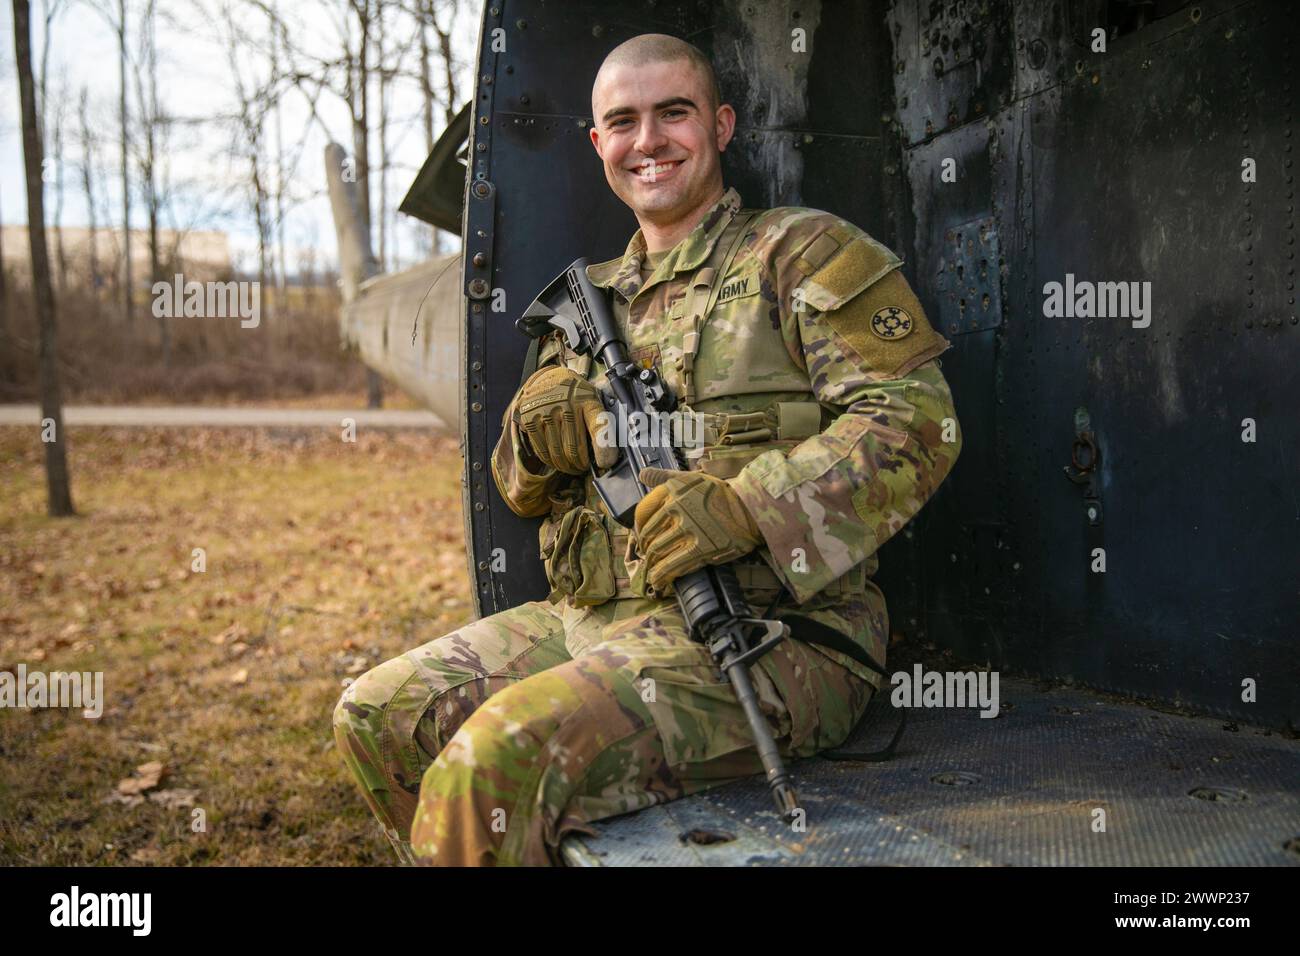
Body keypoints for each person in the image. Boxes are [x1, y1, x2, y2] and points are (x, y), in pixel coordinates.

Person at [333, 33, 962, 866]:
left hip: (773, 637)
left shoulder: (800, 254)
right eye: (622, 122)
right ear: (598, 145)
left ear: (722, 124)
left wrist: (747, 507)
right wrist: (533, 431)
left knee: (491, 763)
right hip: (589, 621)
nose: (649, 141)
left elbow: (916, 421)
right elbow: (516, 493)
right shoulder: (586, 306)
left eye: (675, 113)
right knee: (376, 713)